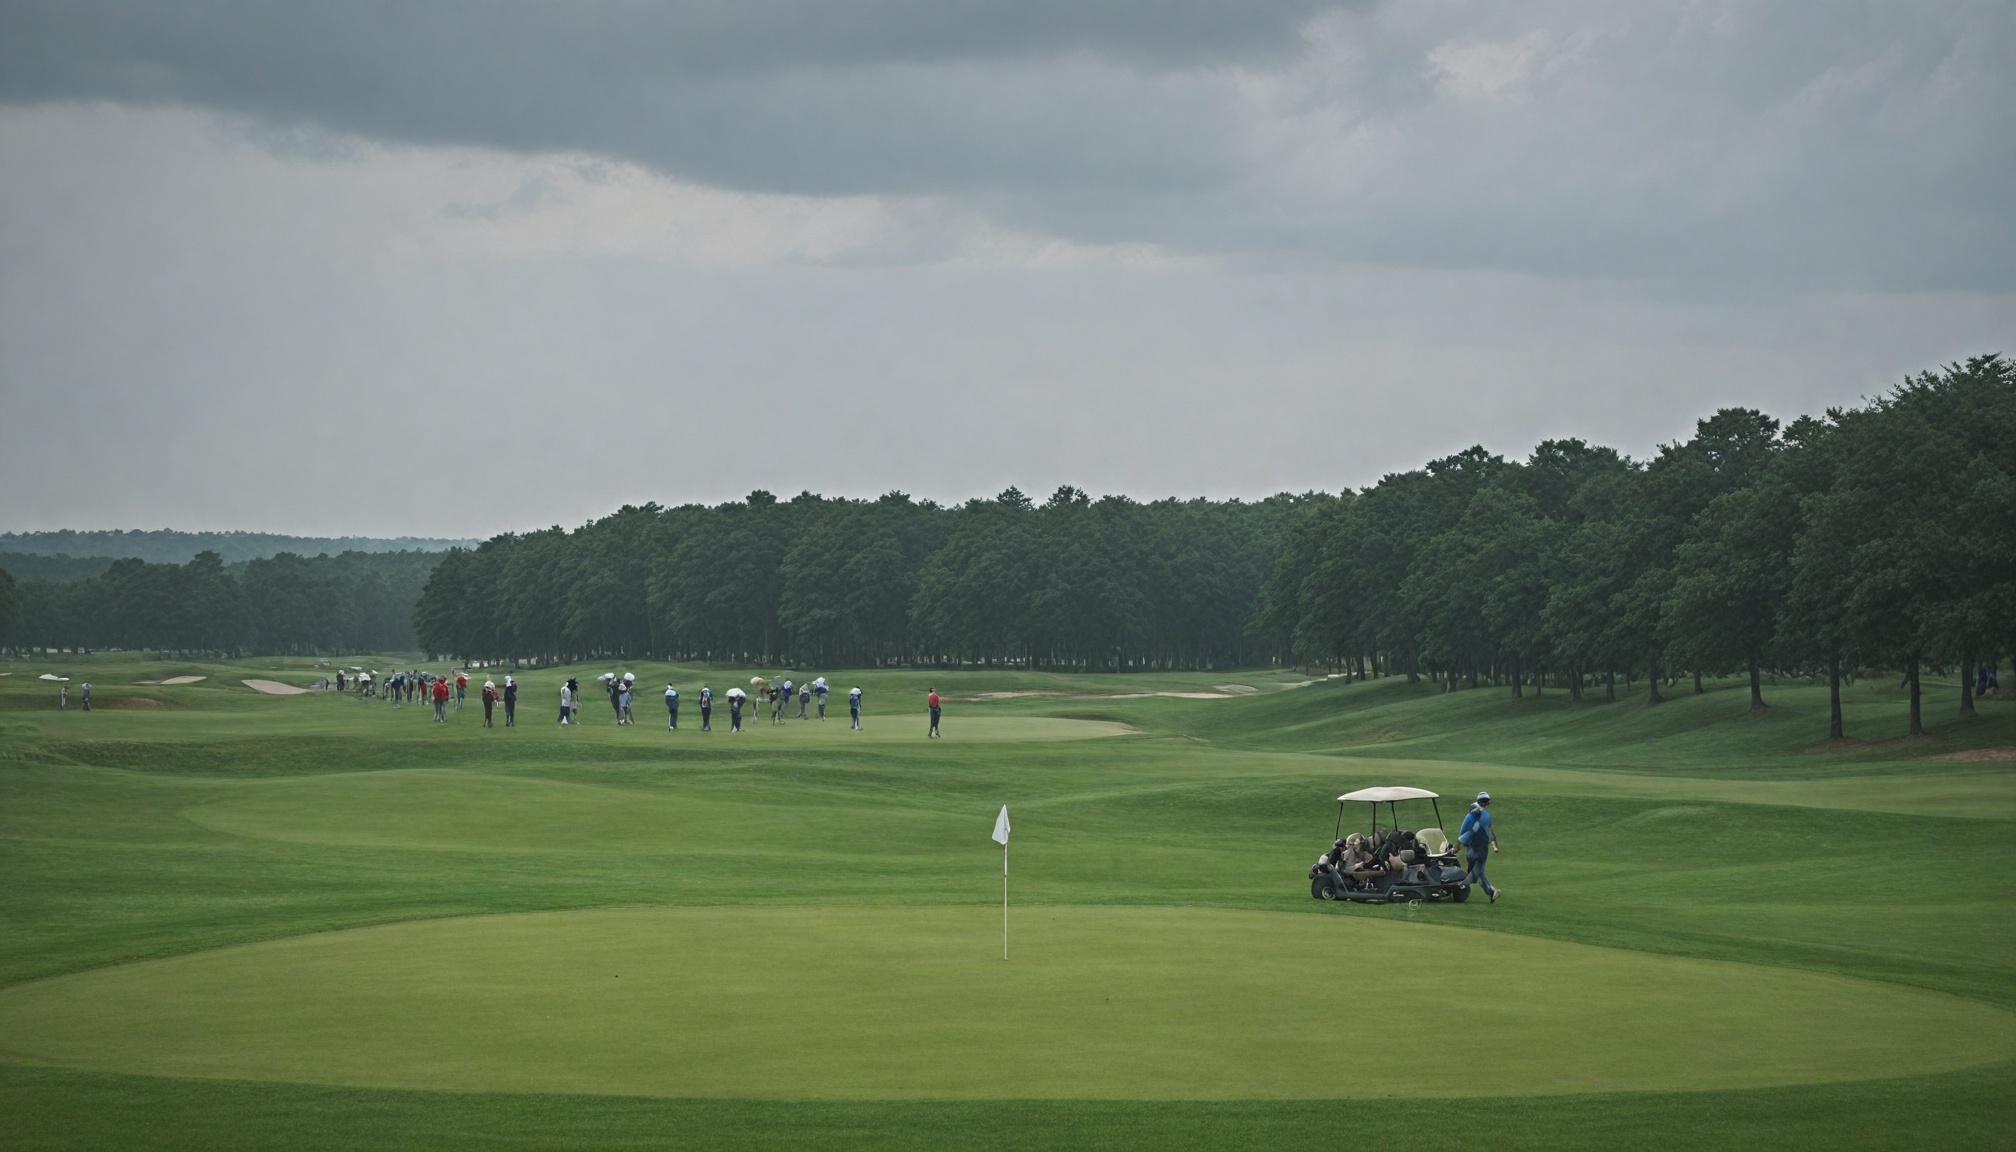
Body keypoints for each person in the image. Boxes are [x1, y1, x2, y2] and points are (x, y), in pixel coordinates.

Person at [1459, 791, 1501, 903]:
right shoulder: (1484, 817)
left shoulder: (1473, 813)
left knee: (1477, 872)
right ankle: (1462, 886)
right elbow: (1488, 832)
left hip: (1471, 848)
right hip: (1478, 849)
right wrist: (1494, 846)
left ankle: (1462, 886)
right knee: (1477, 872)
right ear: (1487, 803)